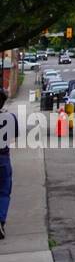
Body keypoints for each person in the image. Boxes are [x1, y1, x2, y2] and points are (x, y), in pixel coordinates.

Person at [0, 89, 18, 239]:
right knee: (4, 192)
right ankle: (1, 219)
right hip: (3, 159)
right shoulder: (10, 118)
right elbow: (13, 137)